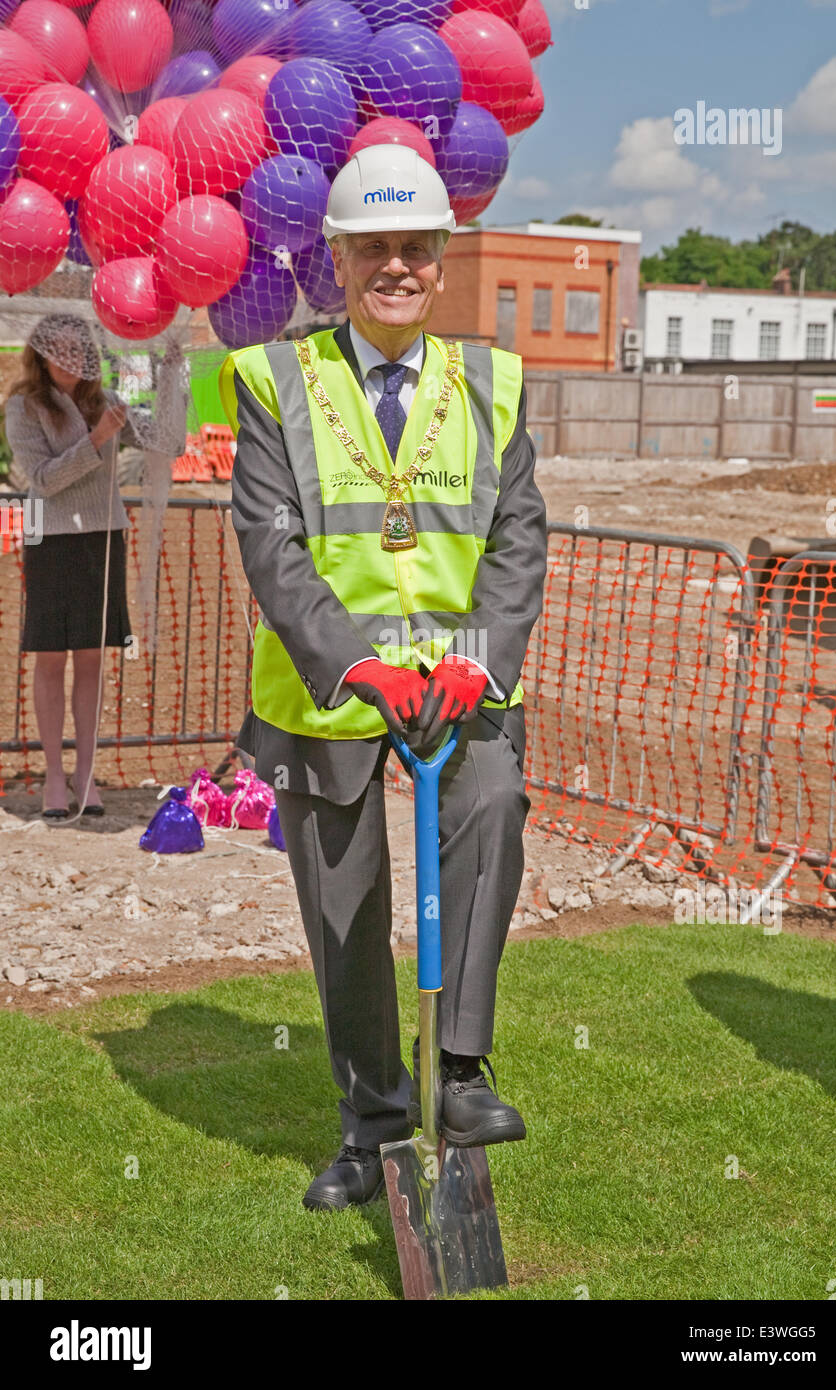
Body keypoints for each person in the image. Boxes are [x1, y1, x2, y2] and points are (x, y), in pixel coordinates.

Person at [222, 144, 548, 1212]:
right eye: (375, 248)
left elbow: (515, 540)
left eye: (415, 247)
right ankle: (369, 1120)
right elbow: (273, 544)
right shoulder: (277, 381)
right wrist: (355, 662)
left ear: (441, 261)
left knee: (492, 806)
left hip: (462, 689)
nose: (396, 266)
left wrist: (478, 662)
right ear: (340, 258)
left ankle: (457, 1072)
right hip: (328, 696)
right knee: (346, 908)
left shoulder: (491, 383)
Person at [5, 313, 141, 818]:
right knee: (50, 658)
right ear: (40, 355)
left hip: (103, 536)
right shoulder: (23, 405)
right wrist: (98, 439)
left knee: (90, 657)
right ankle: (54, 780)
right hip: (52, 538)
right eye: (58, 349)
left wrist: (173, 376)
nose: (69, 358)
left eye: (78, 349)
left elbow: (162, 440)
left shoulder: (101, 402)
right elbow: (42, 479)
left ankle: (86, 774)